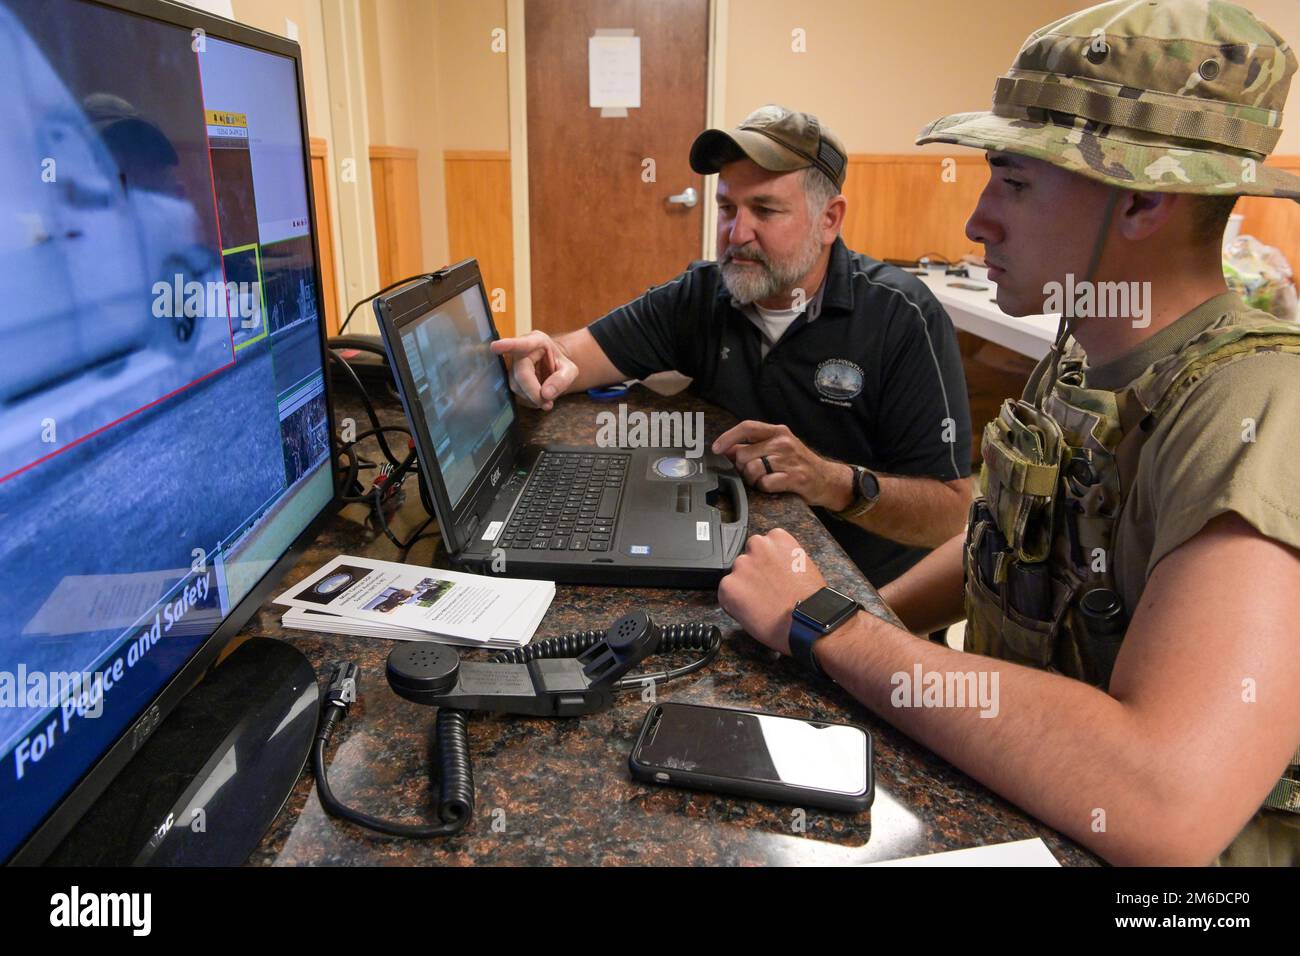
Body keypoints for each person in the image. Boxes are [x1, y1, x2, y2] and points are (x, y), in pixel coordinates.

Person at [718, 0, 1300, 866]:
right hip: (1019, 802)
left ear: (1143, 200)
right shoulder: (1079, 357)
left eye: (1015, 183)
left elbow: (1166, 802)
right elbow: (1002, 537)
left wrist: (830, 625)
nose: (977, 221)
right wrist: (851, 632)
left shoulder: (1256, 409)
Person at [492, 105, 973, 590]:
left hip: (855, 589)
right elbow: (575, 355)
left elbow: (951, 514)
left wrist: (832, 482)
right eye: (727, 208)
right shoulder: (699, 295)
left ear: (829, 219)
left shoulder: (902, 317)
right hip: (722, 560)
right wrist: (542, 355)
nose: (736, 234)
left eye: (764, 210)